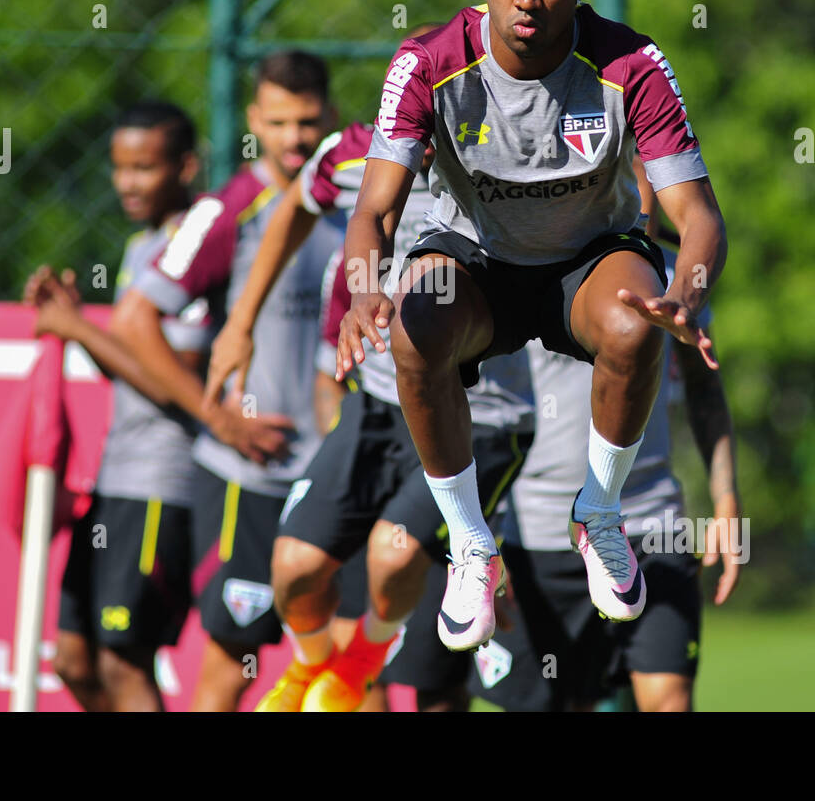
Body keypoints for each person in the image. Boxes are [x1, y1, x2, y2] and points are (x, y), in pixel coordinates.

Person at [339, 0, 727, 652]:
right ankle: (471, 545)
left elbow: (698, 215)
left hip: (588, 261)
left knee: (635, 320)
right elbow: (376, 209)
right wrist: (361, 293)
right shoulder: (427, 62)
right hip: (476, 262)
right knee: (415, 328)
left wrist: (688, 291)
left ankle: (600, 512)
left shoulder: (632, 64)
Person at [203, 94, 534, 712]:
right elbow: (295, 209)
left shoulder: (511, 158)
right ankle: (311, 670)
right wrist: (240, 322)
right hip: (378, 403)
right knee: (294, 566)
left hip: (479, 416)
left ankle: (357, 667)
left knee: (392, 555)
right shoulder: (353, 152)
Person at [113, 51, 340, 711]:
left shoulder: (359, 195)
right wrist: (219, 419)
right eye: (278, 122)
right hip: (252, 478)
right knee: (231, 668)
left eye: (306, 121)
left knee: (352, 662)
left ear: (327, 114)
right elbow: (134, 318)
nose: (295, 137)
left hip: (337, 477)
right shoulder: (229, 210)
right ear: (254, 121)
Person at [471, 188, 741, 712]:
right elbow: (484, 413)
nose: (640, 193)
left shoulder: (678, 277)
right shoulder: (522, 270)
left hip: (650, 526)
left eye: (648, 175)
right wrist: (482, 533)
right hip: (540, 533)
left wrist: (726, 502)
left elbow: (707, 394)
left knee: (668, 702)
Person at [28, 101, 209, 711]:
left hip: (162, 483)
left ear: (184, 167)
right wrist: (75, 321)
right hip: (115, 479)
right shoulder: (140, 247)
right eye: (120, 167)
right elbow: (136, 372)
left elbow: (175, 383)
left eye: (144, 168)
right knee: (74, 661)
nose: (127, 182)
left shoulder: (197, 249)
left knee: (125, 663)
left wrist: (78, 330)